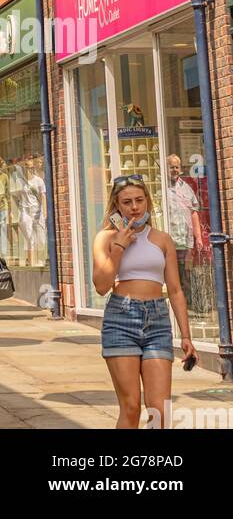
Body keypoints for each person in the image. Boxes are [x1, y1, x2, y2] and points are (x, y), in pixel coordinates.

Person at [92, 173, 196, 429]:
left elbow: (174, 290)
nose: (135, 207)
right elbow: (101, 286)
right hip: (121, 319)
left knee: (159, 410)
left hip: (157, 321)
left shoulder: (162, 239)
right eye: (127, 202)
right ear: (117, 205)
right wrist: (119, 247)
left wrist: (186, 335)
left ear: (148, 201)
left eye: (140, 200)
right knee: (130, 406)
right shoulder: (105, 238)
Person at [165, 154, 204, 297]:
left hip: (185, 241)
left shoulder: (186, 188)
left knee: (185, 274)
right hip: (169, 241)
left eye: (177, 167)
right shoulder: (162, 187)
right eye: (171, 167)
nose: (174, 170)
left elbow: (194, 213)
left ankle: (186, 303)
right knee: (171, 275)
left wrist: (198, 238)